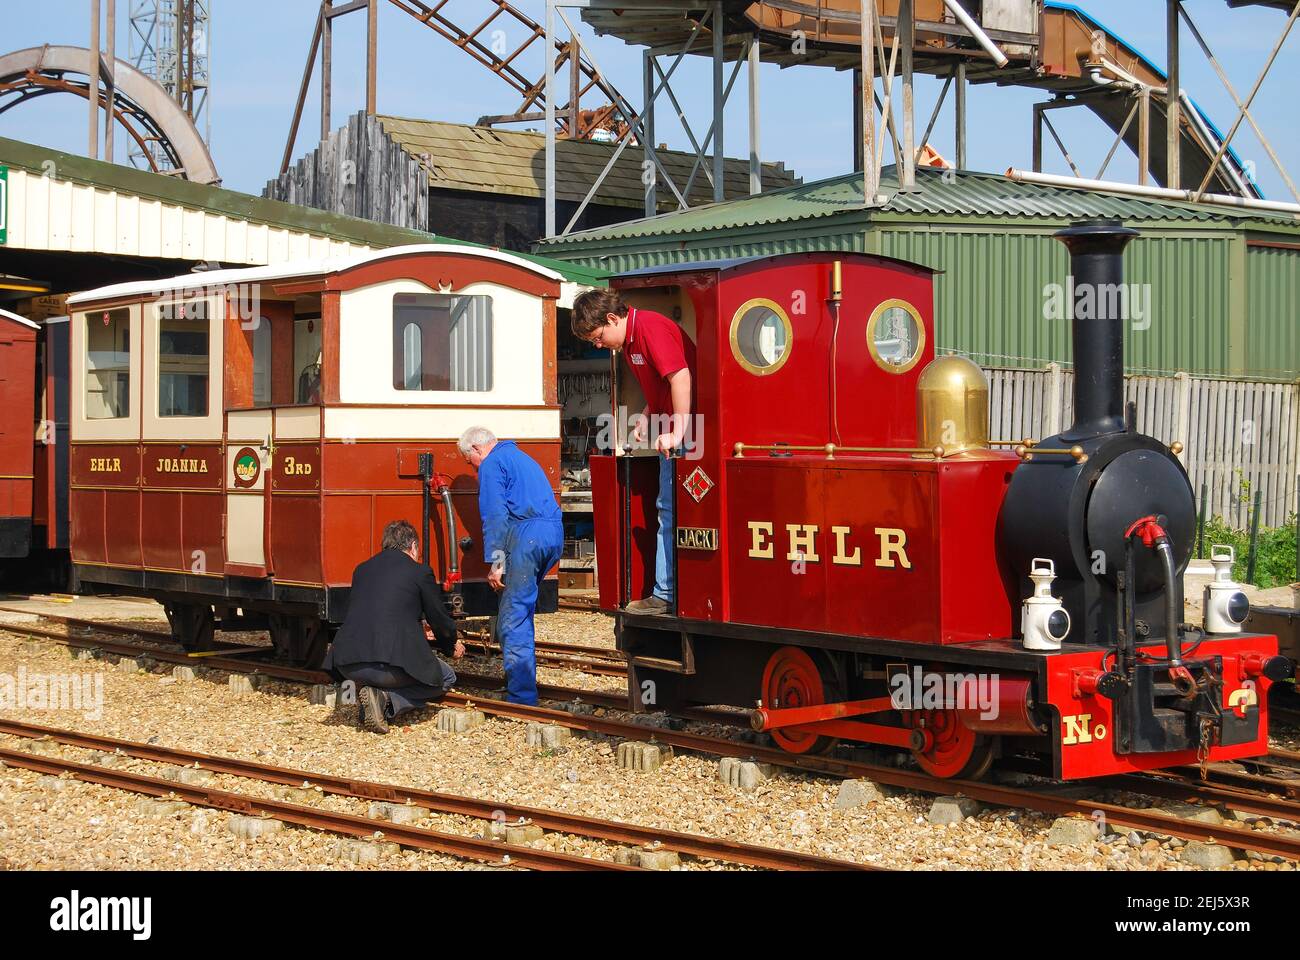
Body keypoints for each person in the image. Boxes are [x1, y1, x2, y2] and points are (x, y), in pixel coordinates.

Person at [570, 288, 696, 616]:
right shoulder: (630, 342)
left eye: (597, 337)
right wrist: (647, 413)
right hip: (677, 427)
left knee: (669, 510)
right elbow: (661, 385)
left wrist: (678, 431)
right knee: (666, 509)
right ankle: (669, 591)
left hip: (693, 429)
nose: (598, 345)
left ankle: (667, 593)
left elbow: (681, 378)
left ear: (612, 318)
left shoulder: (650, 329)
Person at [324, 519, 465, 734]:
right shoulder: (420, 572)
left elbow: (376, 614)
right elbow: (439, 618)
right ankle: (387, 700)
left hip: (347, 666)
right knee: (445, 677)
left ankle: (366, 693)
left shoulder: (361, 570)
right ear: (414, 547)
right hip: (388, 670)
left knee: (384, 668)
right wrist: (451, 644)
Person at [459, 426, 563, 706]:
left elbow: (495, 516)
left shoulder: (492, 464)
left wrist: (497, 562)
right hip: (553, 535)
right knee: (523, 610)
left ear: (477, 450)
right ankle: (523, 683)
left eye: (471, 462)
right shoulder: (523, 458)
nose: (474, 470)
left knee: (512, 618)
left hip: (526, 538)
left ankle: (522, 698)